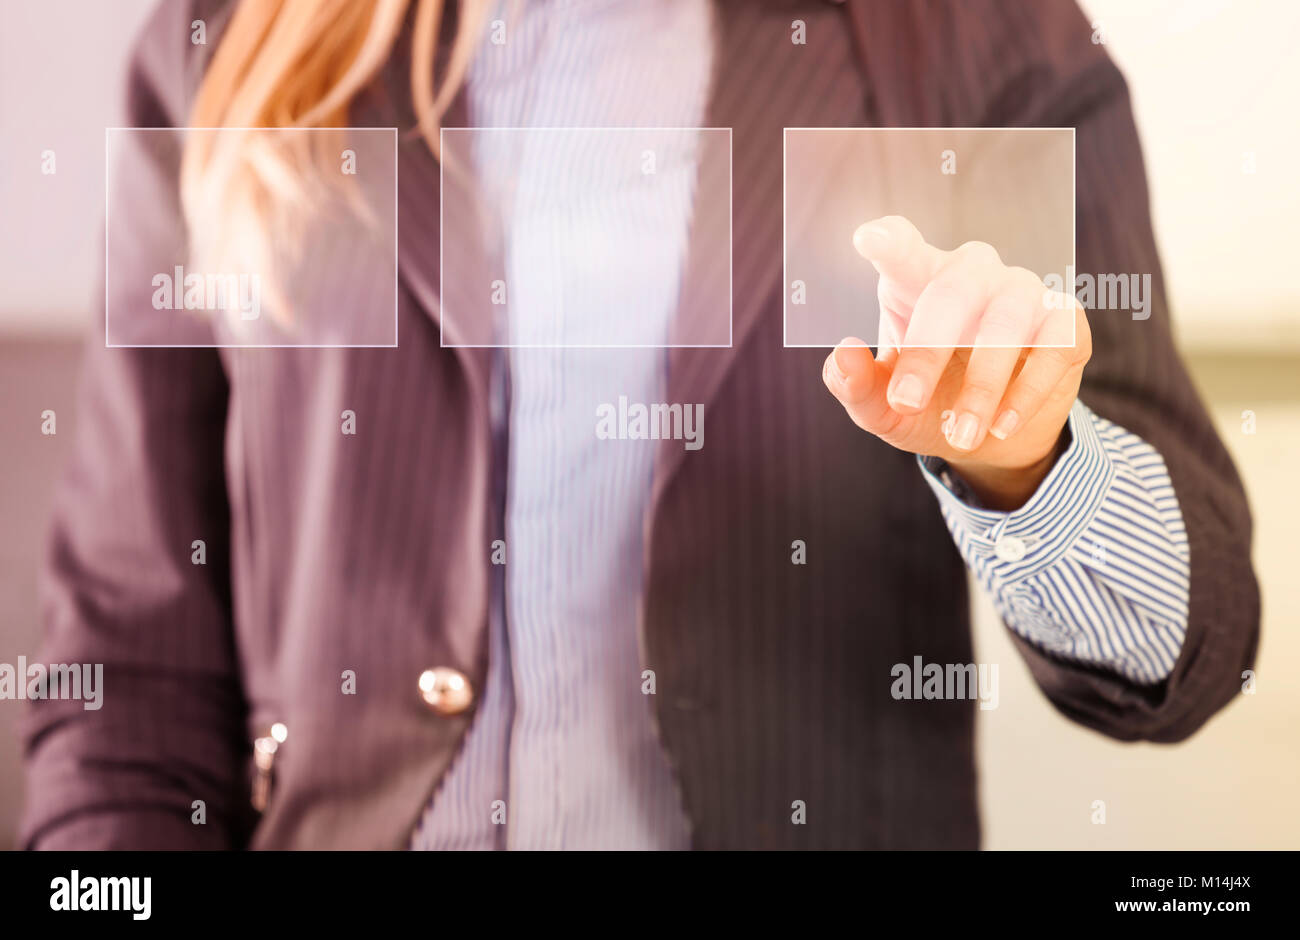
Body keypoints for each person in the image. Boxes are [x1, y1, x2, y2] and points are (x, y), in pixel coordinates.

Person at [21, 0, 1258, 850]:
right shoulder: (223, 43)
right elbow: (127, 656)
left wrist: (1025, 463)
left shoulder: (978, 36)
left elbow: (1185, 641)